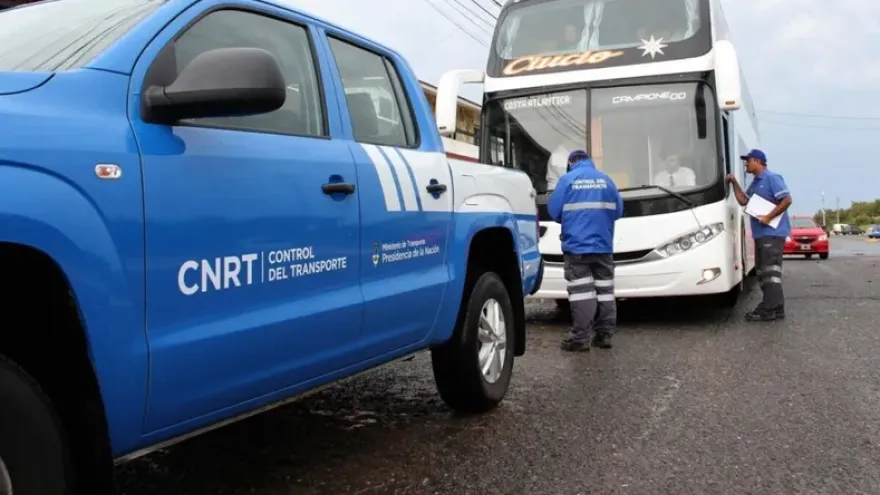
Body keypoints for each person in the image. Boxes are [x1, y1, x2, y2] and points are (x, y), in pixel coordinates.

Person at [547, 150, 624, 351]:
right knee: (605, 291)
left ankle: (580, 339)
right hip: (603, 246)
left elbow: (553, 211)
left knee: (582, 293)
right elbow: (619, 211)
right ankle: (604, 335)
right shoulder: (607, 180)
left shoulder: (567, 180)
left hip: (577, 248)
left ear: (571, 162)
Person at [727, 149, 793, 321]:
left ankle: (769, 308)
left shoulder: (772, 178)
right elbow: (743, 201)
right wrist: (733, 182)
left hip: (772, 233)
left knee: (770, 271)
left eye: (747, 161)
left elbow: (787, 199)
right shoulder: (756, 183)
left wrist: (769, 216)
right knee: (763, 272)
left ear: (757, 161)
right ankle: (776, 308)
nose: (746, 164)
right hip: (761, 234)